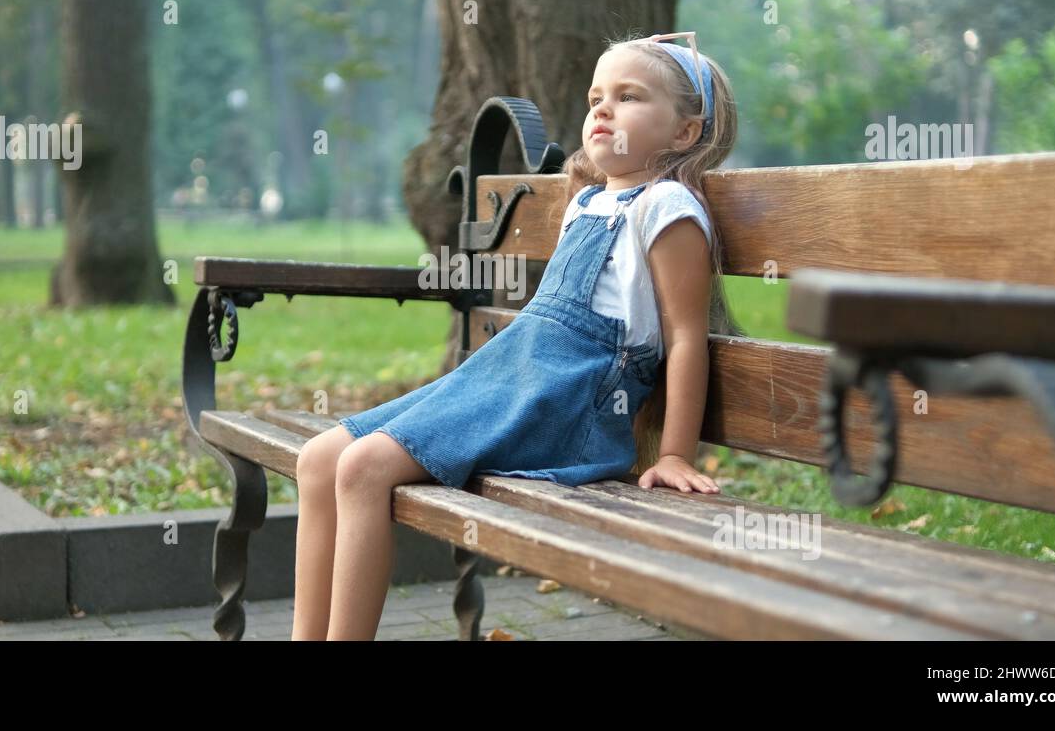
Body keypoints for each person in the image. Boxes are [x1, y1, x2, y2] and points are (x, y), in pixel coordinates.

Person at [292, 31, 745, 640]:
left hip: (573, 399)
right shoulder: (587, 203)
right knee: (319, 458)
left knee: (365, 468)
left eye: (629, 97)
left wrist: (672, 455)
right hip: (516, 374)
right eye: (596, 99)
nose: (603, 111)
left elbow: (685, 338)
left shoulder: (665, 208)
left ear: (684, 133)